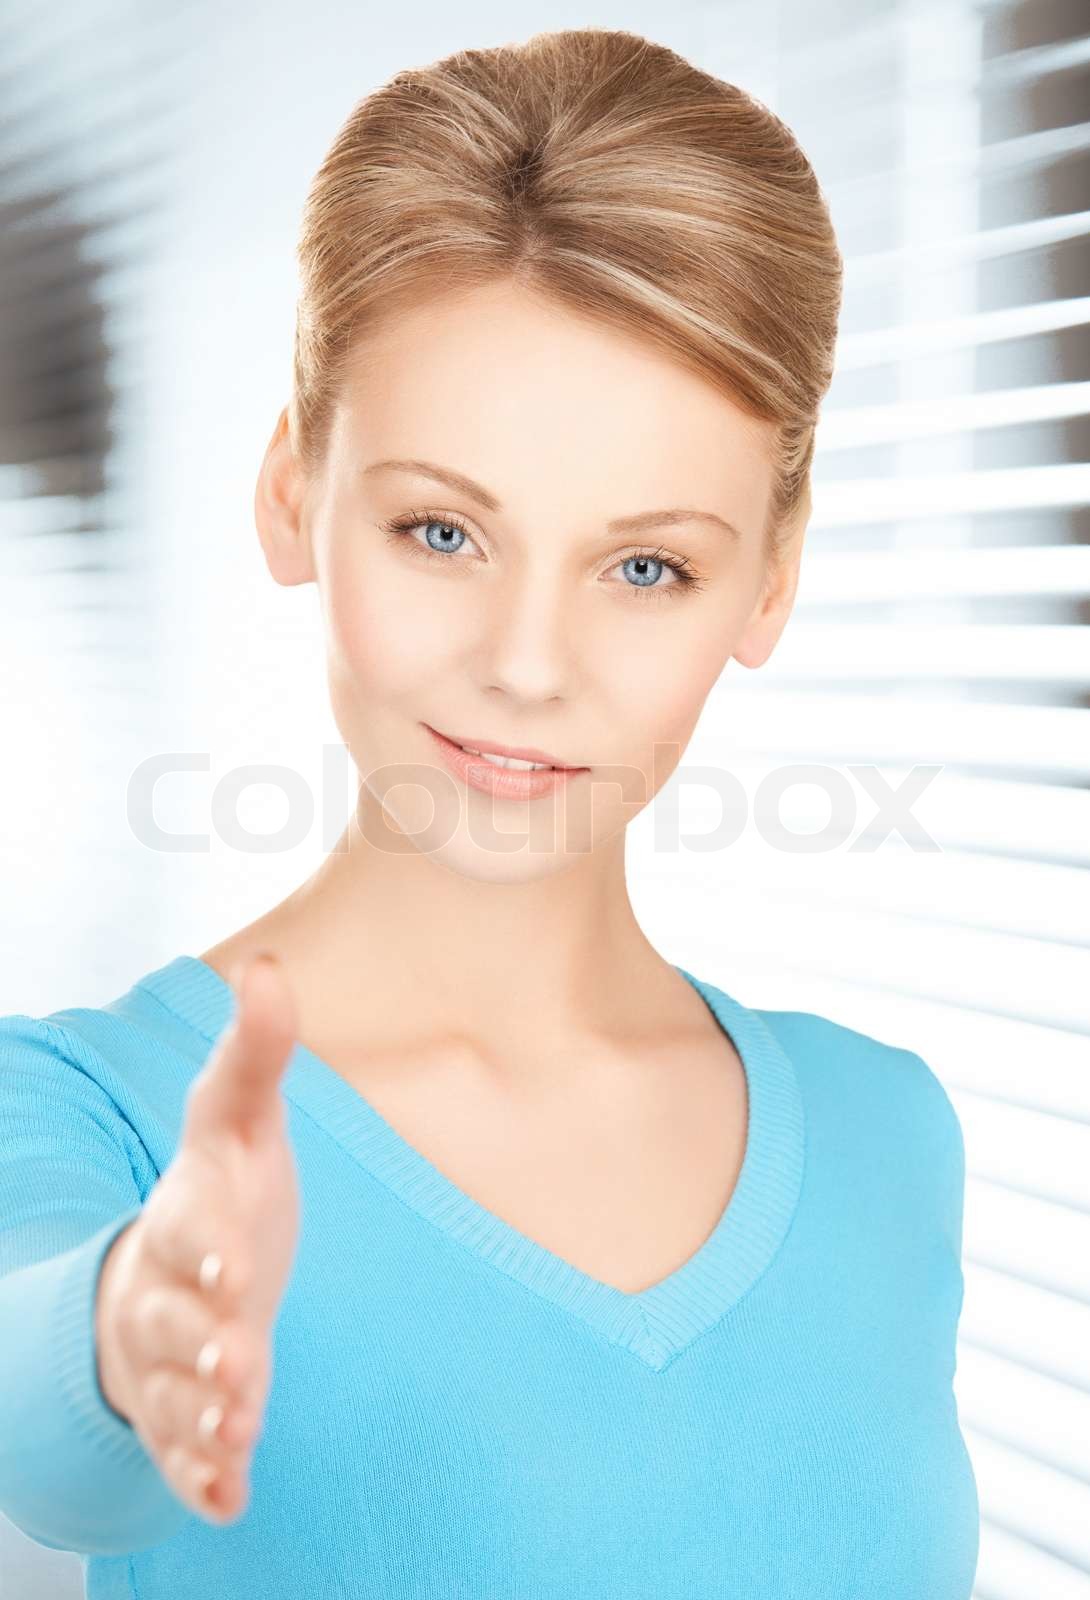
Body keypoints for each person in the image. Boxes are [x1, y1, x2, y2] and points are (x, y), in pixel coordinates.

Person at [0, 25, 979, 1598]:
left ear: (769, 579)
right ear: (289, 490)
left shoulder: (887, 1135)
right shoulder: (91, 1113)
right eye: (442, 531)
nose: (525, 666)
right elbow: (50, 1448)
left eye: (644, 565)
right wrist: (130, 1328)